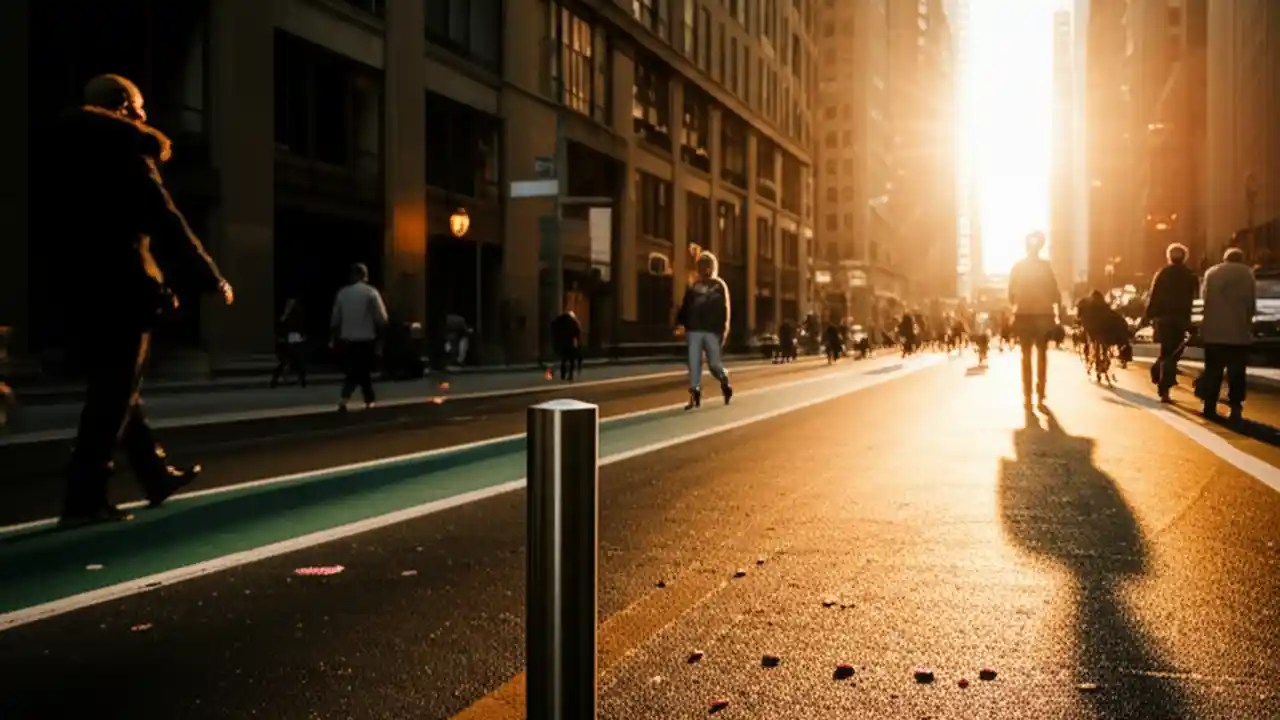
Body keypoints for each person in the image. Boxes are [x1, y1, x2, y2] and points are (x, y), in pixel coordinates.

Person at [58, 75, 235, 527]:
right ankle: (84, 500)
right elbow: (165, 218)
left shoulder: (58, 149)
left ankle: (154, 475)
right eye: (139, 107)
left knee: (117, 390)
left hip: (78, 286)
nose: (145, 116)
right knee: (112, 395)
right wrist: (209, 276)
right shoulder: (125, 148)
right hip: (122, 287)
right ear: (123, 107)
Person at [1197, 247, 1256, 422]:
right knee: (1236, 373)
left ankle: (1209, 406)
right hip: (1238, 334)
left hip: (1214, 333)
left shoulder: (1212, 273)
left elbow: (1205, 300)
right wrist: (1248, 324)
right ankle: (1235, 408)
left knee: (1213, 370)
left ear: (1225, 258)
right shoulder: (1247, 274)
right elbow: (1251, 304)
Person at [1008, 231, 1061, 408]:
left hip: (1023, 315)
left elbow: (1010, 294)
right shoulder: (1046, 267)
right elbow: (1055, 292)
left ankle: (1027, 394)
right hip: (1043, 315)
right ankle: (1040, 392)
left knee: (1025, 355)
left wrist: (1018, 304)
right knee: (1042, 354)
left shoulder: (1018, 267)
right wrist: (1056, 313)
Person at [676, 252, 733, 410]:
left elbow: (724, 310)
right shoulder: (694, 286)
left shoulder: (719, 285)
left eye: (706, 265)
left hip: (711, 331)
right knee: (694, 364)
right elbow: (686, 306)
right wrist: (680, 322)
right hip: (694, 329)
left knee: (714, 364)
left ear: (712, 267)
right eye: (700, 265)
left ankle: (724, 380)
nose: (703, 268)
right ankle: (695, 395)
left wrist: (723, 331)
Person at [1143, 243, 1198, 402]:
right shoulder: (1189, 275)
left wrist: (1149, 315)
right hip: (1180, 319)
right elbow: (1193, 298)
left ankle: (1161, 378)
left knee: (1167, 351)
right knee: (1175, 352)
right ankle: (1164, 383)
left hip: (1165, 319)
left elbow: (1154, 295)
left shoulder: (1163, 273)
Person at [331, 262, 388, 412]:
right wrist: (381, 339)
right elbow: (381, 318)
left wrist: (334, 337)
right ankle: (362, 399)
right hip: (366, 339)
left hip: (347, 340)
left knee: (354, 369)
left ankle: (352, 398)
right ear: (364, 275)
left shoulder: (342, 293)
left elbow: (335, 319)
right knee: (362, 371)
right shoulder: (371, 293)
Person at [271, 298, 308, 388]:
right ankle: (275, 380)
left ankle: (302, 379)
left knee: (296, 361)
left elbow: (300, 326)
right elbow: (281, 325)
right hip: (287, 340)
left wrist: (302, 336)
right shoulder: (285, 315)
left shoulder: (297, 315)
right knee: (286, 361)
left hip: (295, 340)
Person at [550, 309, 583, 381]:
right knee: (571, 361)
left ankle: (563, 374)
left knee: (563, 360)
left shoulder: (560, 321)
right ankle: (570, 375)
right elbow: (578, 332)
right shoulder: (574, 322)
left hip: (563, 343)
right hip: (571, 343)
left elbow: (553, 328)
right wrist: (578, 343)